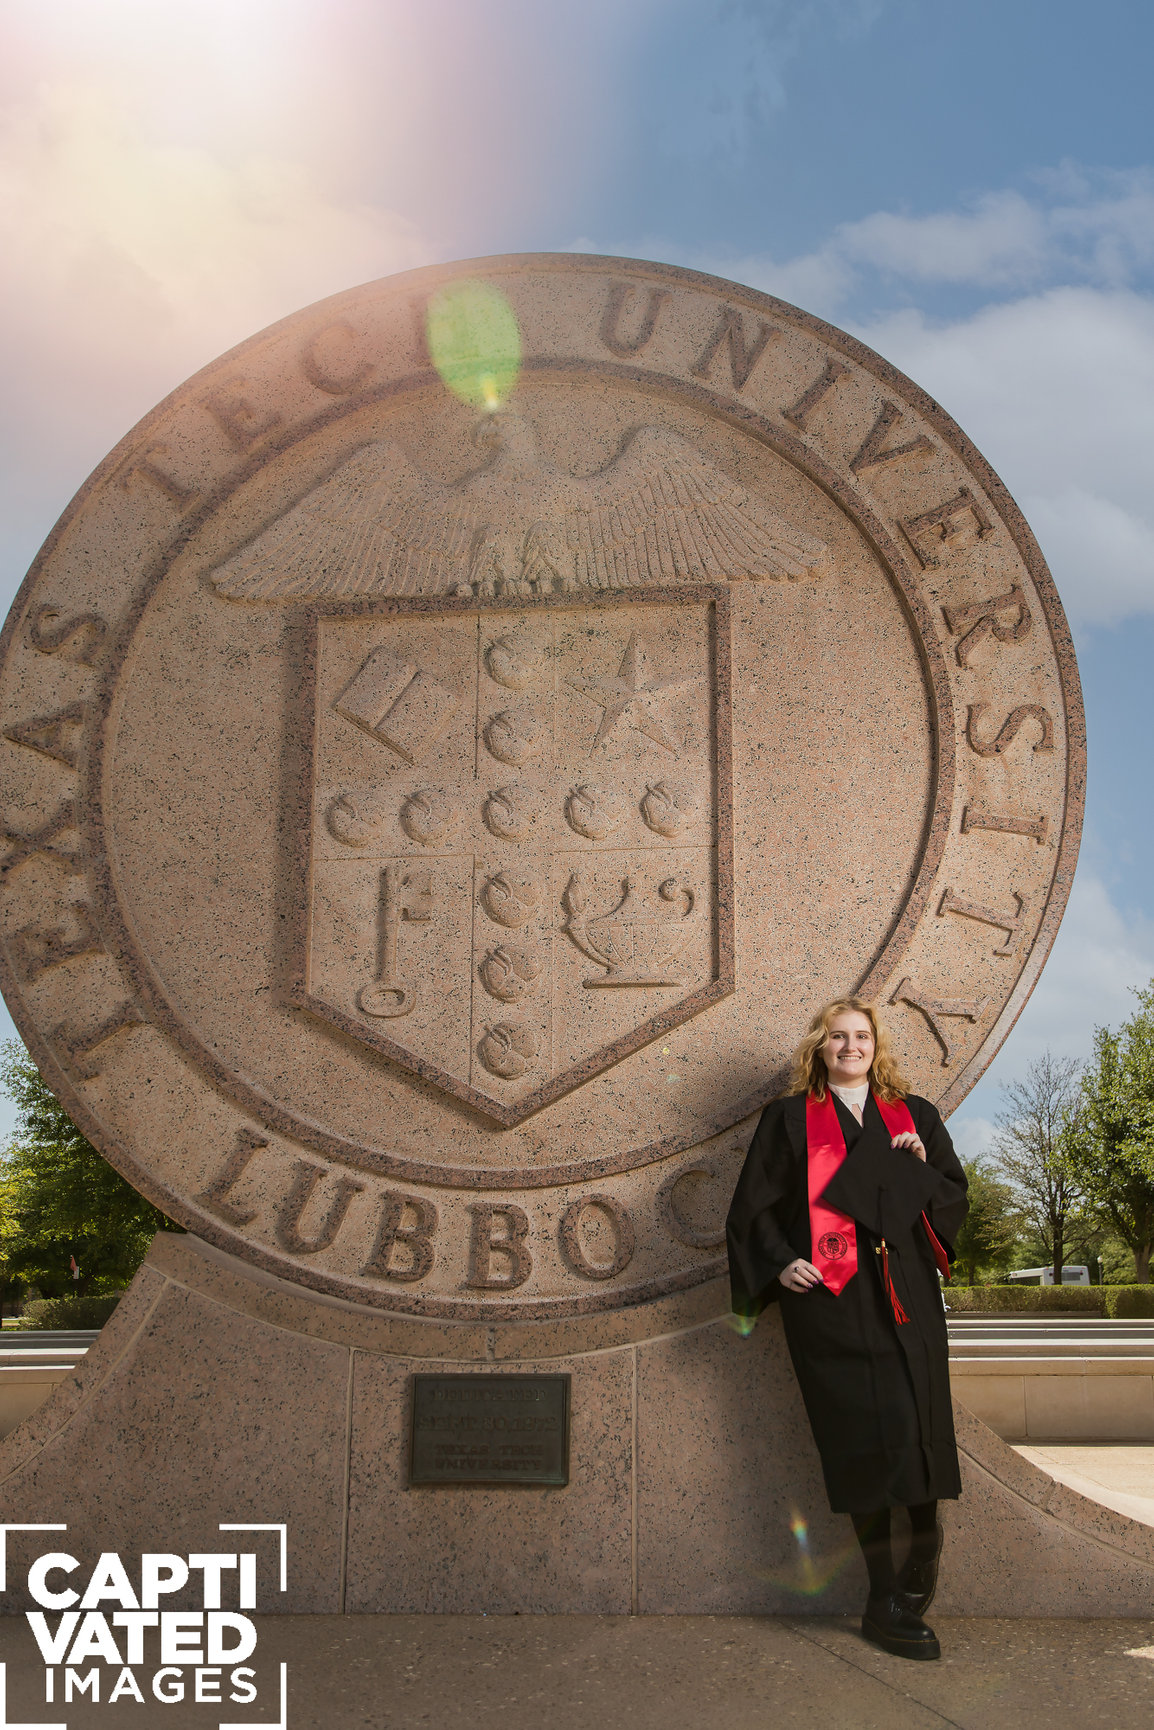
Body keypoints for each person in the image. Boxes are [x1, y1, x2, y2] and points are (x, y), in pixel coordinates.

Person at [726, 997, 968, 1661]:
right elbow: (754, 1210)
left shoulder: (914, 1115)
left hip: (906, 1297)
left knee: (915, 1420)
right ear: (820, 1046)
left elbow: (953, 1195)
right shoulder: (787, 1121)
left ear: (875, 1044)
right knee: (860, 1436)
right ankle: (880, 1595)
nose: (850, 1045)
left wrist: (917, 1165)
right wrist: (780, 1264)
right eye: (838, 1036)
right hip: (832, 1302)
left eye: (861, 1036)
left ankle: (924, 1541)